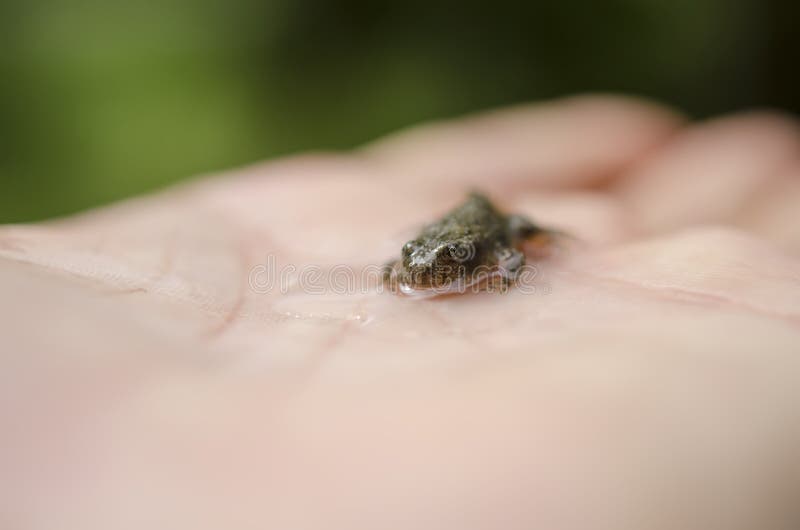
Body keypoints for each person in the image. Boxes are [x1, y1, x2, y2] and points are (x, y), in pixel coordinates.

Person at [1, 95, 798, 529]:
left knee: (525, 233)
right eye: (421, 267)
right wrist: (404, 273)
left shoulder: (482, 245)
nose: (420, 275)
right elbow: (401, 266)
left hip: (481, 215)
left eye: (436, 267)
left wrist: (498, 271)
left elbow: (508, 255)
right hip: (449, 222)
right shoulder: (419, 258)